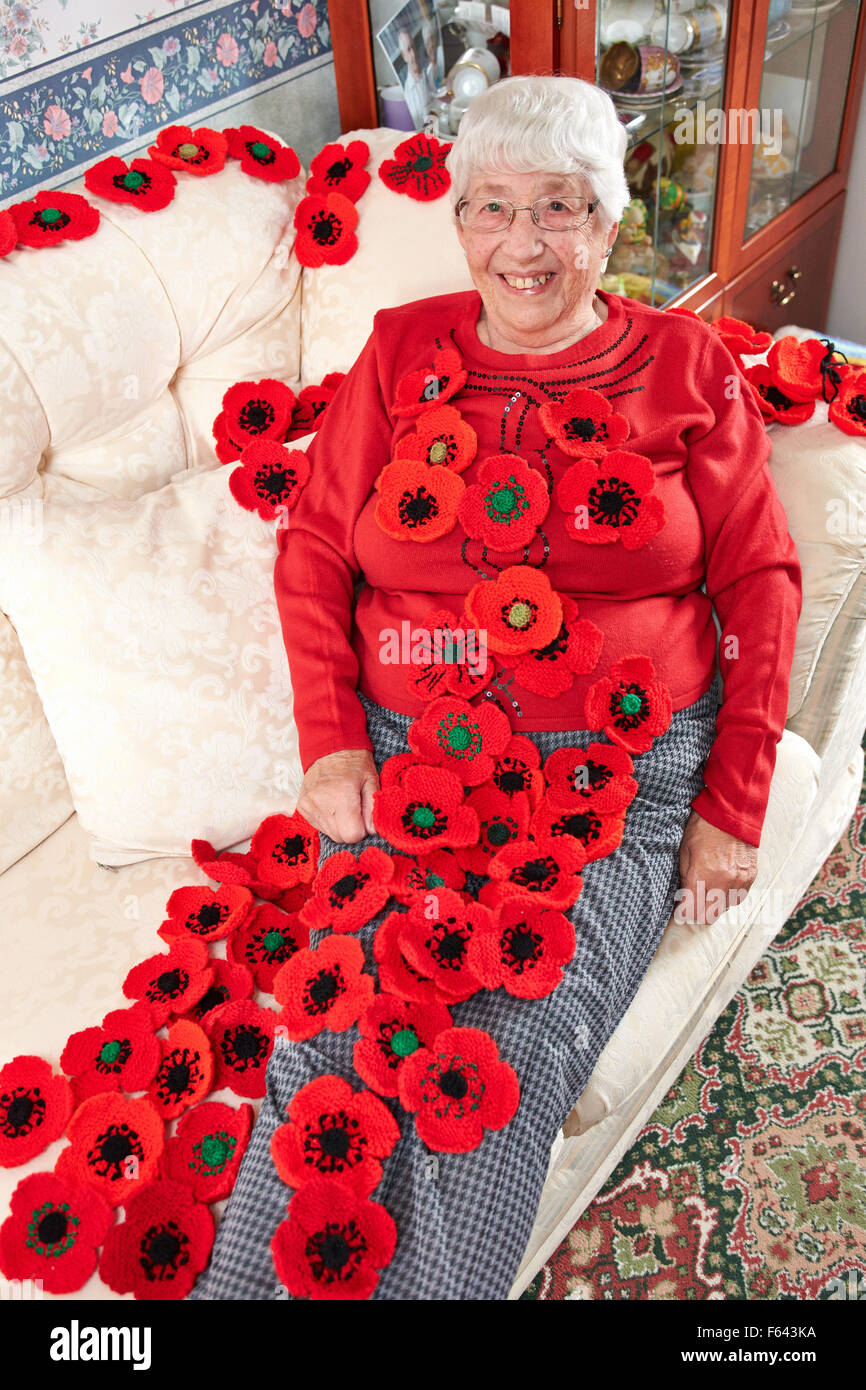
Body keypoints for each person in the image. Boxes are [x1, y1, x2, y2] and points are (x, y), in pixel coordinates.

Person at [190, 75, 802, 1301]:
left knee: (512, 1037)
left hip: (614, 768)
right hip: (416, 756)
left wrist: (730, 803)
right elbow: (315, 546)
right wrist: (331, 742)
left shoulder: (682, 364)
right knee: (345, 1016)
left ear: (610, 223)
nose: (522, 245)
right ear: (458, 219)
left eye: (561, 209)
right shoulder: (402, 348)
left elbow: (762, 576)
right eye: (491, 208)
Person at [397, 25, 432, 129]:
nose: (413, 54)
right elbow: (420, 127)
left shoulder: (428, 70)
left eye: (413, 47)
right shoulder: (408, 93)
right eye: (408, 50)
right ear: (404, 56)